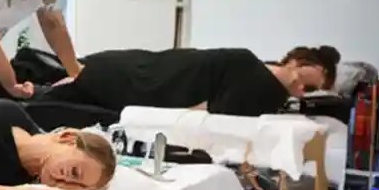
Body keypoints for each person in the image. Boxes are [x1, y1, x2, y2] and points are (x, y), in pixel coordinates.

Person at [42, 47, 304, 117]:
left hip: (156, 82)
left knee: (70, 85)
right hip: (154, 72)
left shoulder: (267, 91)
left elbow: (215, 110)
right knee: (69, 79)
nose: (303, 90)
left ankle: (43, 87)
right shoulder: (251, 64)